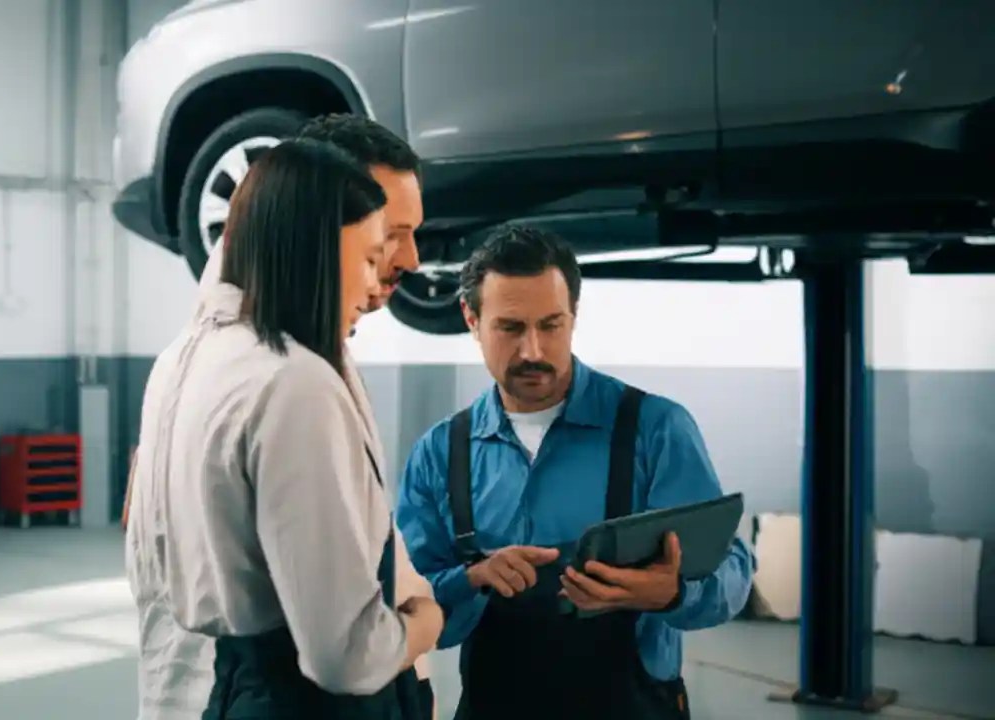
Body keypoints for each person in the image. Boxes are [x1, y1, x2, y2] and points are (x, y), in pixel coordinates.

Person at [124, 113, 435, 720]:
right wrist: (422, 625)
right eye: (385, 236)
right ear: (313, 221)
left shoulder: (188, 362)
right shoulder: (292, 377)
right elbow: (342, 650)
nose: (412, 259)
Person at [396, 225, 756, 719]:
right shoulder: (440, 454)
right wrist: (472, 578)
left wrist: (673, 593)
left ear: (573, 318)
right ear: (471, 319)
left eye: (550, 325)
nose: (533, 352)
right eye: (510, 328)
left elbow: (732, 569)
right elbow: (407, 601)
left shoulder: (655, 430)